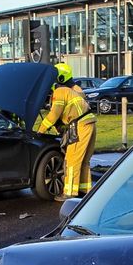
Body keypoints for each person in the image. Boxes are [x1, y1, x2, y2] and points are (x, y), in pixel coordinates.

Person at [37, 62, 97, 201]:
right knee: (84, 160)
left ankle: (69, 193)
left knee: (72, 160)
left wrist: (40, 131)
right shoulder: (73, 90)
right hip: (90, 123)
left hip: (80, 126)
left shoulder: (60, 92)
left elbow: (53, 115)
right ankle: (84, 190)